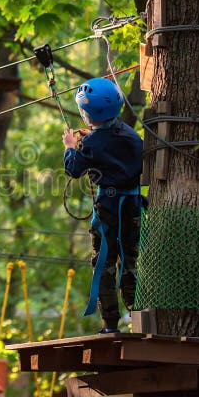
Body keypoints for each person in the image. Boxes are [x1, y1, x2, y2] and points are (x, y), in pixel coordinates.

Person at [62, 77, 143, 333]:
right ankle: (138, 316)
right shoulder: (131, 135)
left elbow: (74, 169)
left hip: (108, 209)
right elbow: (112, 147)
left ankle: (110, 323)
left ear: (87, 114)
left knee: (104, 263)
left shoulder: (92, 145)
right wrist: (93, 139)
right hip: (132, 206)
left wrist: (71, 147)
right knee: (130, 261)